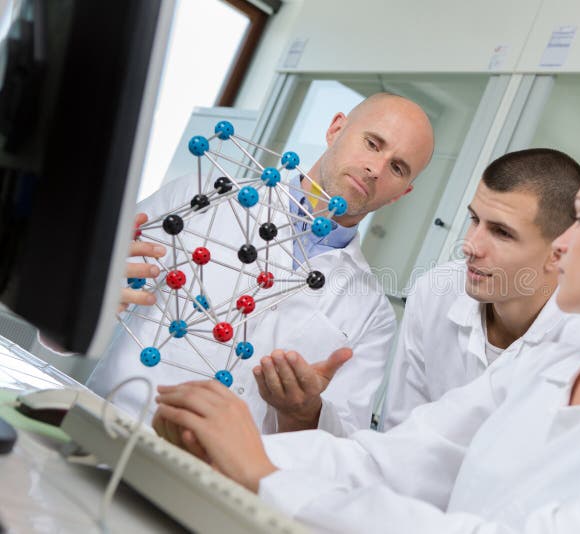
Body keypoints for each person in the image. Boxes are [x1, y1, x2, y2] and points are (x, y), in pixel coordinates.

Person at [152, 123, 580, 532]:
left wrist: (266, 474)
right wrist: (219, 444)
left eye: (578, 217)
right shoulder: (557, 358)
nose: (562, 246)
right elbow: (395, 458)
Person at [88, 93, 435, 437]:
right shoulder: (200, 198)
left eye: (397, 167)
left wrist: (303, 412)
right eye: (373, 143)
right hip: (109, 428)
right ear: (336, 129)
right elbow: (74, 318)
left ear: (401, 193)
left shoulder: (372, 313)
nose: (375, 169)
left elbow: (339, 447)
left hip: (216, 483)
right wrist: (89, 295)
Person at [382, 148, 580, 430]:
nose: (470, 246)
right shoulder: (434, 292)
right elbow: (400, 433)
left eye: (501, 232)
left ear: (558, 251)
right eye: (474, 219)